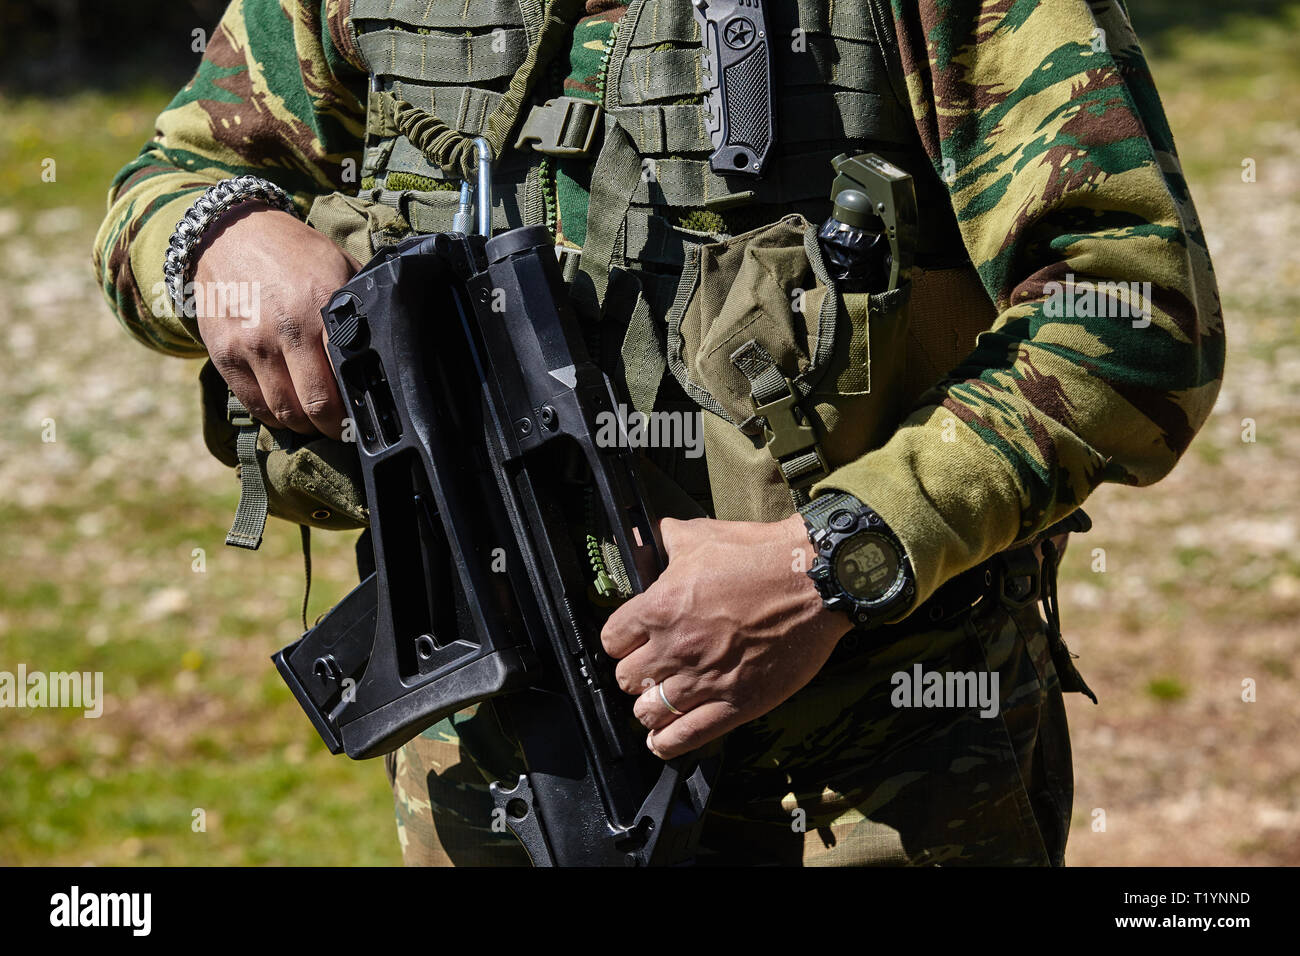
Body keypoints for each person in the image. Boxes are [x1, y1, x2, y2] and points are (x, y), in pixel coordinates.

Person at [94, 0, 1224, 866]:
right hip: (504, 764)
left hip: (875, 783)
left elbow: (1134, 307)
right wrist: (217, 237)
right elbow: (170, 176)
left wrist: (834, 557)